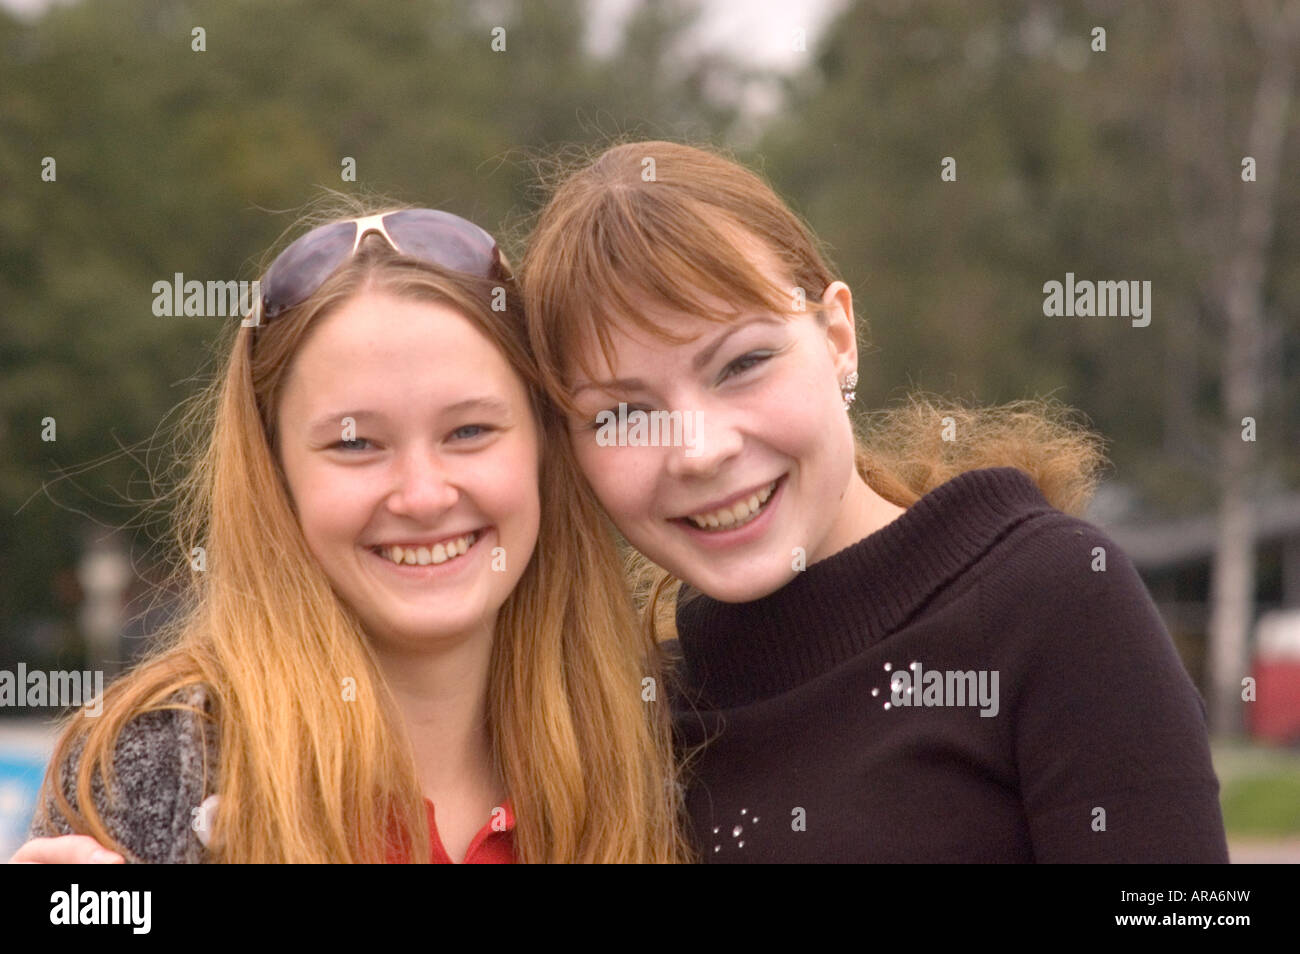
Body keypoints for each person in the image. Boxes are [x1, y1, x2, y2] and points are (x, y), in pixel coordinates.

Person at [518, 139, 1230, 862]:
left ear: (838, 338)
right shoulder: (622, 722)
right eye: (624, 416)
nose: (700, 451)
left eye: (742, 364)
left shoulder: (1053, 602)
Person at [15, 204, 684, 863]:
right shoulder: (160, 764)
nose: (423, 496)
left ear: (543, 444)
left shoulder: (663, 739)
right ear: (275, 473)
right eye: (356, 443)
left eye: (469, 431)